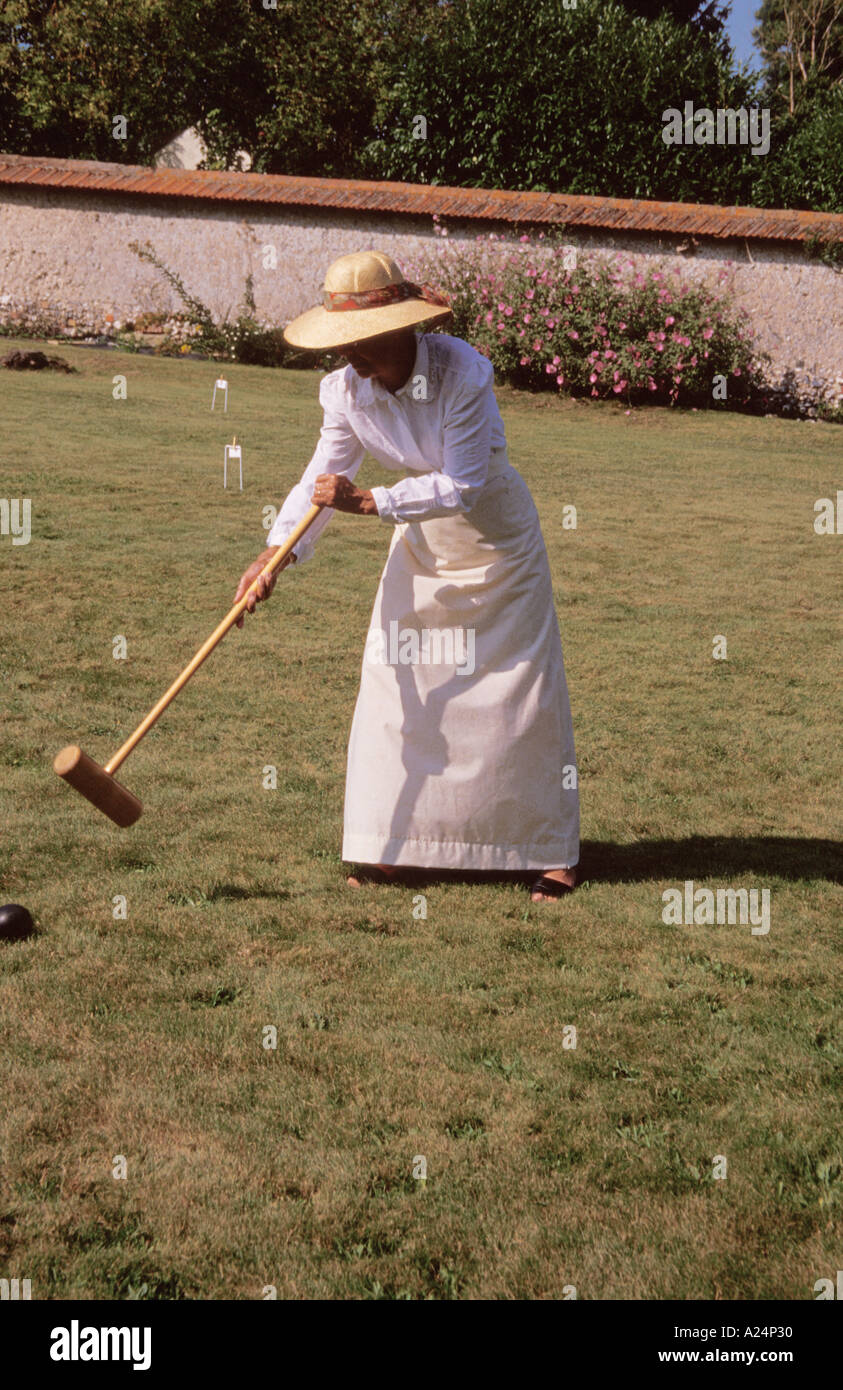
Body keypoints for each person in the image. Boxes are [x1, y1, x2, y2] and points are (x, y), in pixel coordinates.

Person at [234, 251, 579, 902]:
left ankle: (546, 850)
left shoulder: (461, 372)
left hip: (498, 544)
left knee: (515, 701)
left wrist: (370, 502)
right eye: (344, 344)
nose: (353, 356)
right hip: (421, 543)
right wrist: (275, 553)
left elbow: (466, 481)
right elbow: (320, 479)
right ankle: (395, 846)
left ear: (404, 328)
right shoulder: (342, 390)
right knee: (400, 689)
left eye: (364, 342)